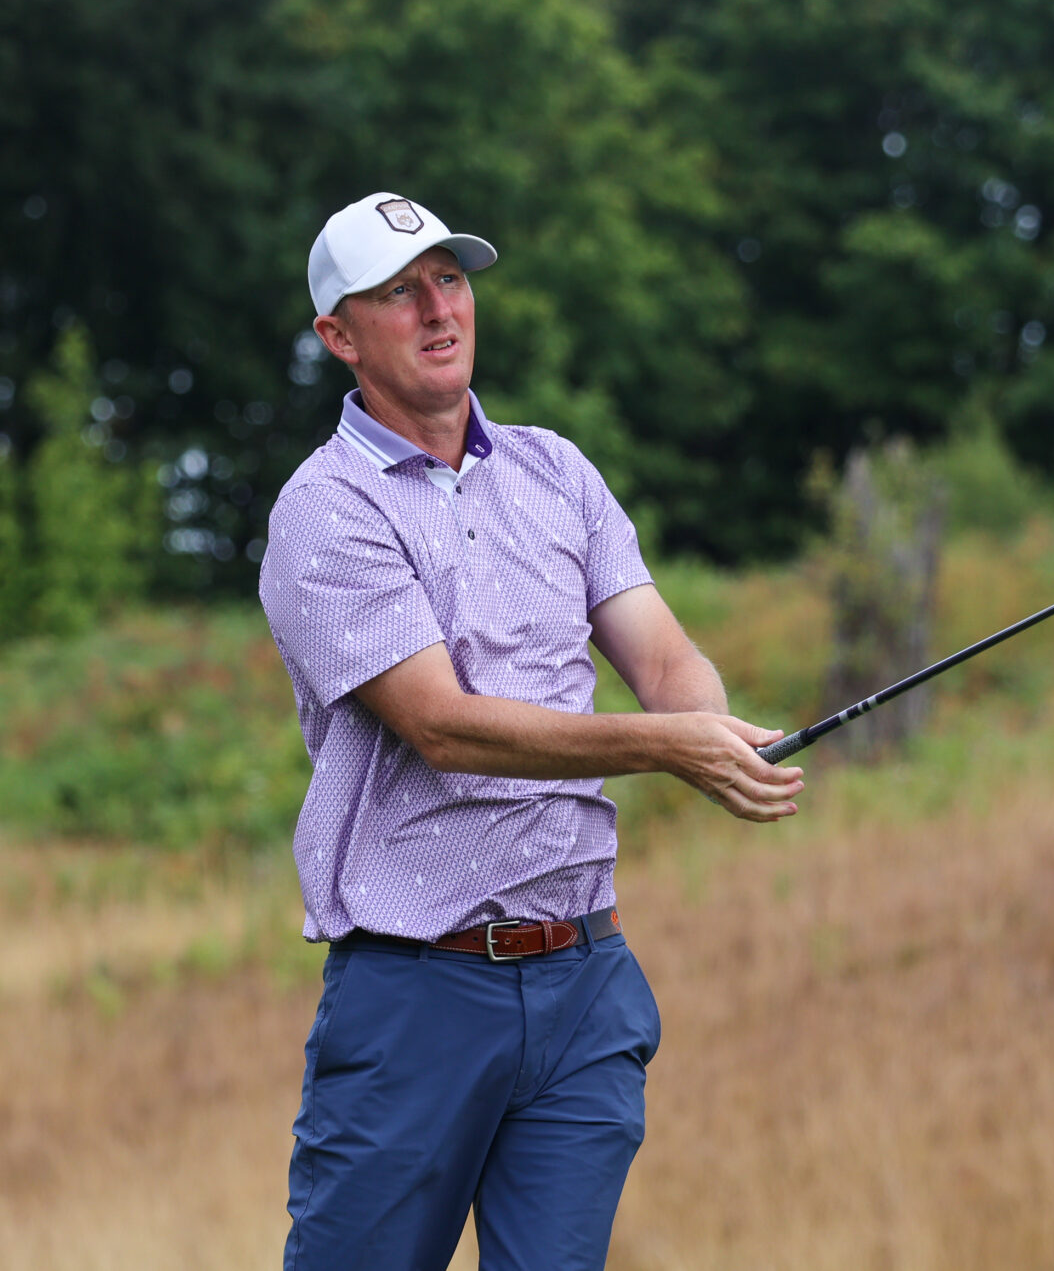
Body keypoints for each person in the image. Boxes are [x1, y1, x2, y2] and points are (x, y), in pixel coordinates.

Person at [258, 190, 805, 1270]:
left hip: (581, 981)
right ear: (338, 336)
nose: (435, 309)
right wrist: (661, 748)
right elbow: (443, 726)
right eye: (395, 293)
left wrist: (704, 723)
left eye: (448, 280)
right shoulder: (325, 509)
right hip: (416, 992)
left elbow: (659, 653)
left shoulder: (556, 469)